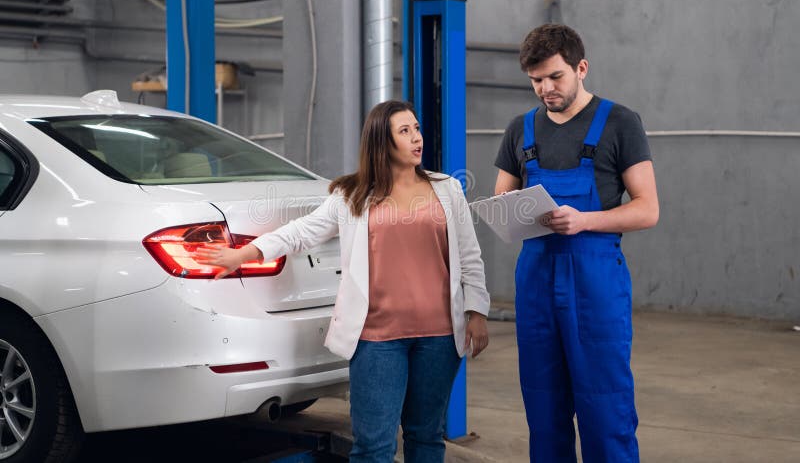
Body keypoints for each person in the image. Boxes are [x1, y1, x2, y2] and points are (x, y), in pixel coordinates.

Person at [197, 99, 490, 463]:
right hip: (377, 340)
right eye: (404, 131)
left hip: (440, 337)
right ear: (382, 142)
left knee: (427, 437)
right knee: (373, 447)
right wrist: (245, 253)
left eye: (416, 128)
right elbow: (299, 233)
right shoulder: (352, 196)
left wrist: (477, 311)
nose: (417, 138)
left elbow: (470, 254)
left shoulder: (447, 189)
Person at [494, 24, 659, 462]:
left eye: (555, 77)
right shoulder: (520, 129)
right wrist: (515, 209)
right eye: (536, 81)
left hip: (595, 280)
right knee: (543, 409)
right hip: (536, 278)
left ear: (580, 68)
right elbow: (500, 198)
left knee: (605, 407)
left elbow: (647, 209)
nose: (545, 89)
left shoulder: (620, 123)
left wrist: (585, 220)